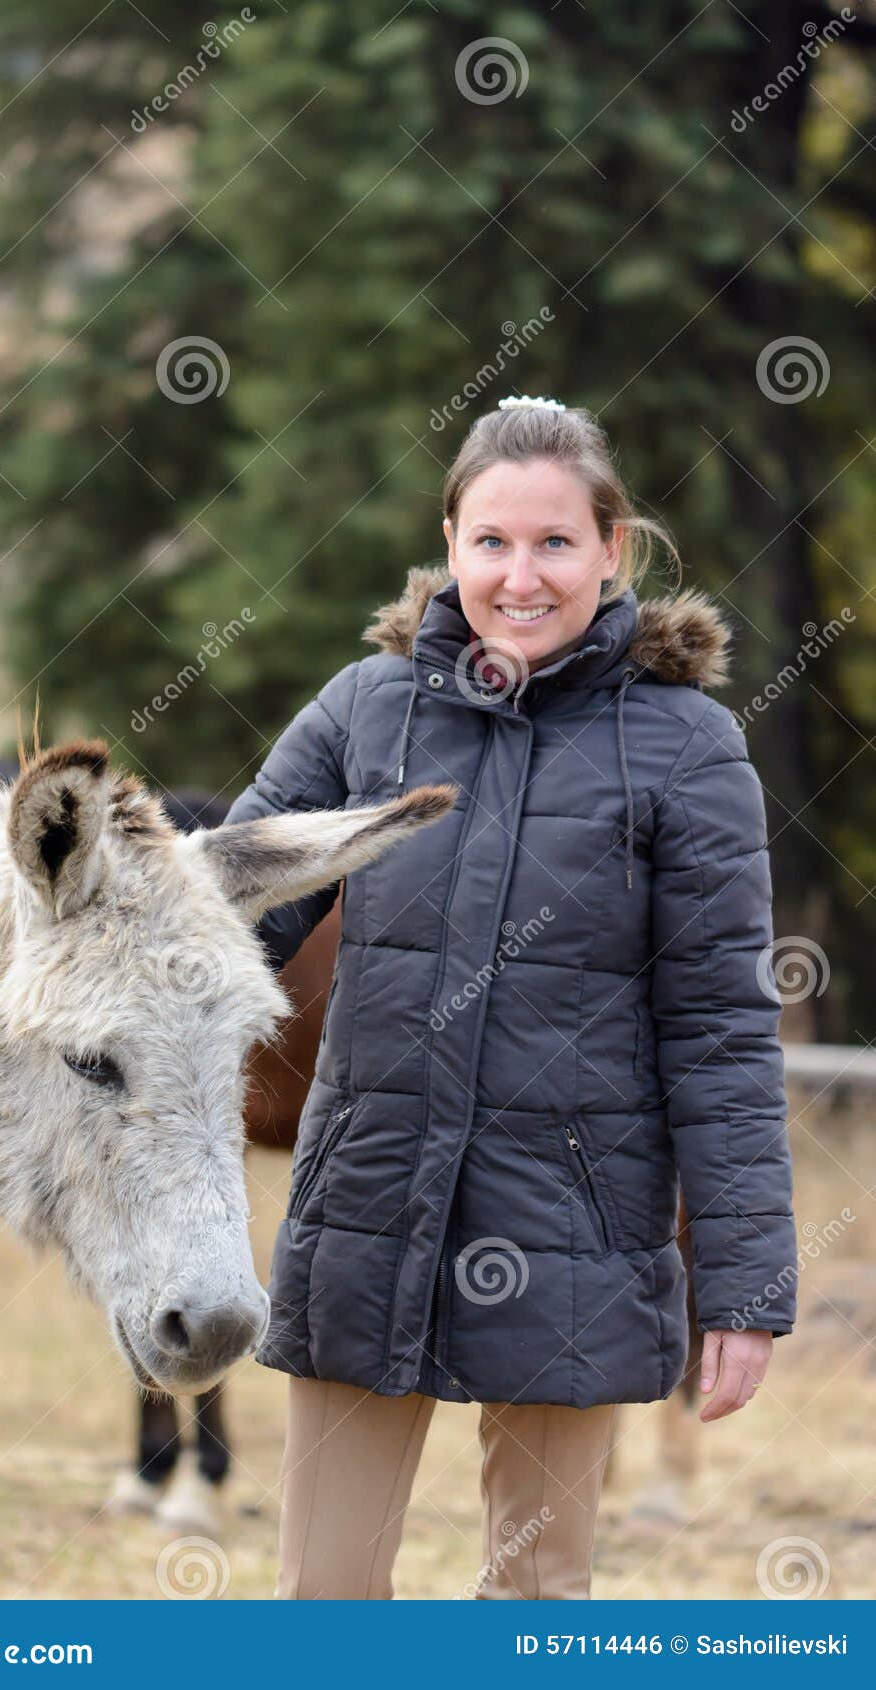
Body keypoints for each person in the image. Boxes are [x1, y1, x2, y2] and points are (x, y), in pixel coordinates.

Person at [222, 395, 796, 1600]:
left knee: (533, 1620)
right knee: (321, 1612)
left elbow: (722, 1034)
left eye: (552, 543)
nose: (518, 576)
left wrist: (740, 1284)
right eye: (490, 541)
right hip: (366, 1211)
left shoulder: (689, 751)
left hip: (572, 1237)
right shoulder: (360, 710)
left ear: (611, 549)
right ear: (448, 541)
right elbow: (223, 918)